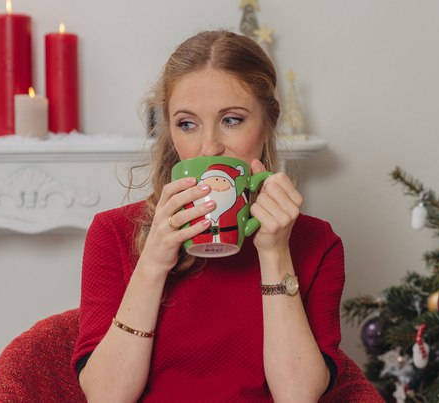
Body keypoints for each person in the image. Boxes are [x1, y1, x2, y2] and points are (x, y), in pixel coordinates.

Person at [72, 30, 345, 402]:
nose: (209, 147)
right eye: (187, 124)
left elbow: (297, 395)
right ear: (169, 131)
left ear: (268, 122)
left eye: (231, 120)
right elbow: (106, 396)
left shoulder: (317, 243)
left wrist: (274, 254)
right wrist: (152, 264)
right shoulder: (113, 232)